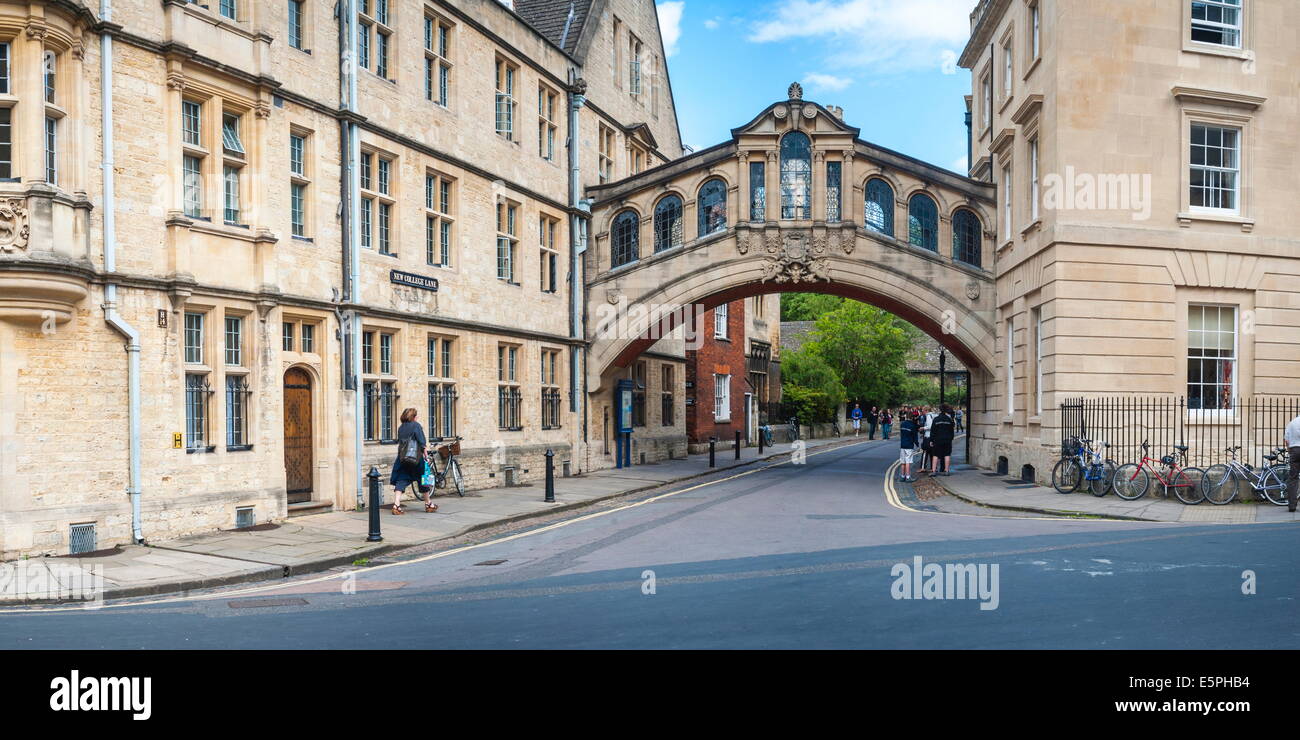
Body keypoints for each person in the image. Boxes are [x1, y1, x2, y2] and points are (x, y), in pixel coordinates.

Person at [390, 408, 436, 515]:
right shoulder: (416, 425)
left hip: (403, 459)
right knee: (424, 479)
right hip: (416, 458)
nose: (417, 417)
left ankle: (396, 505)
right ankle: (428, 504)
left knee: (401, 479)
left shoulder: (401, 428)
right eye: (416, 416)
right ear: (413, 417)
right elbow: (421, 443)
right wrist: (426, 456)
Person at [929, 404, 956, 476]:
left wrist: (931, 440)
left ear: (940, 410)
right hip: (947, 440)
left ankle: (934, 471)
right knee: (947, 455)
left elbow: (932, 431)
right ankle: (946, 471)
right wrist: (951, 438)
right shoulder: (949, 419)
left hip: (937, 440)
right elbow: (951, 430)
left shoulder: (936, 419)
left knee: (935, 455)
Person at [898, 411, 919, 482]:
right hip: (909, 445)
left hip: (902, 445)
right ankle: (908, 477)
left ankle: (902, 476)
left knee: (903, 462)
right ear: (912, 417)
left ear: (906, 416)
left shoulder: (902, 424)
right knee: (908, 462)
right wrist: (917, 444)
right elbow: (915, 437)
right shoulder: (912, 425)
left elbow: (901, 434)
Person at [1286, 411, 1300, 512]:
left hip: (1294, 450)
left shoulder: (1292, 423)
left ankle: (1292, 505)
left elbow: (1286, 439)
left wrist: (1289, 449)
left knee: (1293, 478)